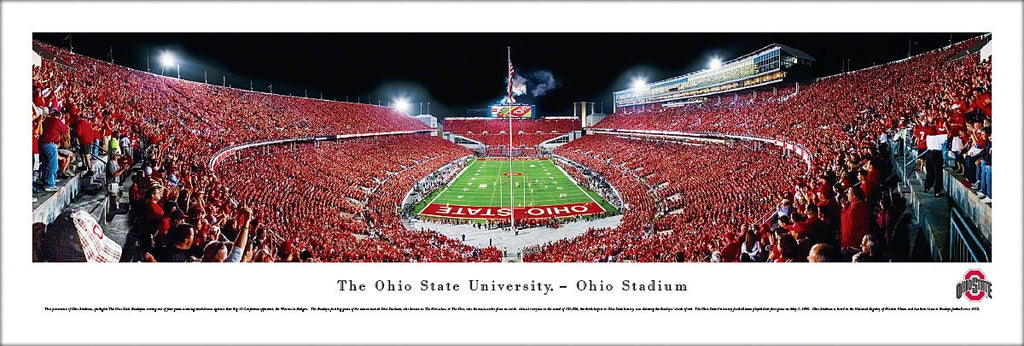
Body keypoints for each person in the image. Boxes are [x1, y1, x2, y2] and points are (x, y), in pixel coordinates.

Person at [36, 111, 69, 192]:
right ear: (58, 116)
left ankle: (45, 181)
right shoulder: (56, 121)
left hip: (41, 144)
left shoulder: (46, 120)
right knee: (53, 165)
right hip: (50, 145)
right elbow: (64, 130)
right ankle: (50, 184)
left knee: (45, 164)